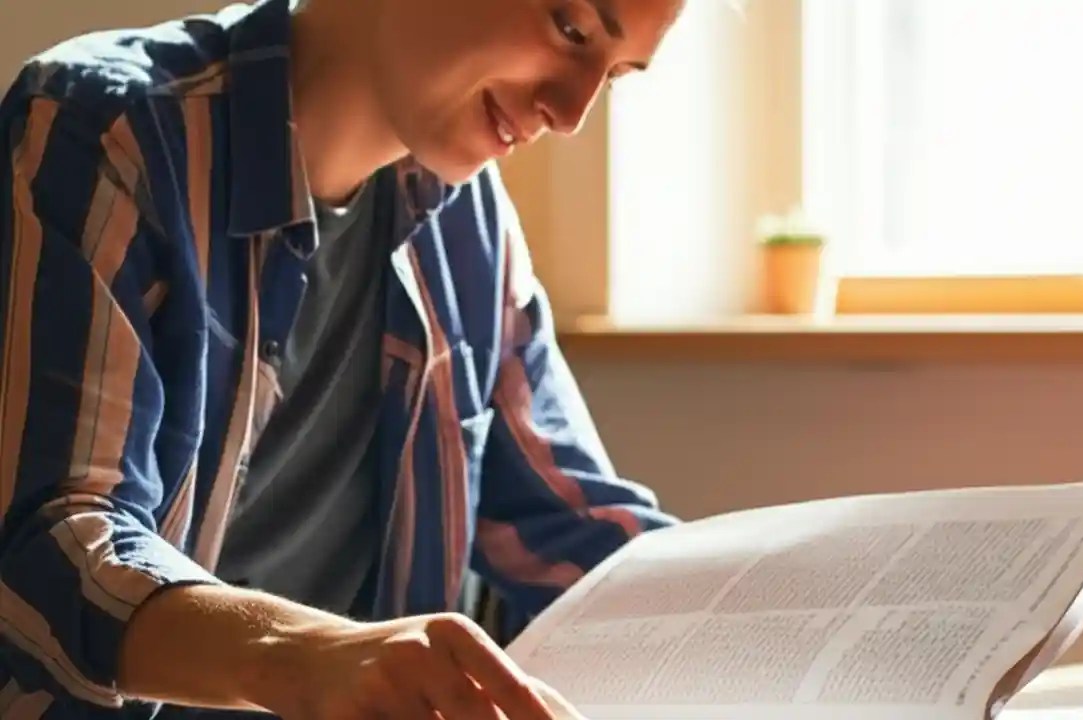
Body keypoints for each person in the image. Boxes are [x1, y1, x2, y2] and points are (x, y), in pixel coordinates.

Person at [0, 0, 688, 716]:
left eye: (613, 77)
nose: (571, 114)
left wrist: (795, 601)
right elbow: (48, 547)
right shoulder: (104, 134)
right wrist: (303, 657)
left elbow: (571, 526)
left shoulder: (468, 222)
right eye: (571, 28)